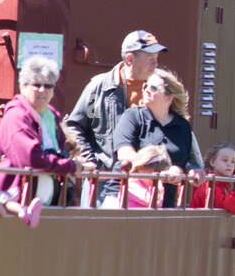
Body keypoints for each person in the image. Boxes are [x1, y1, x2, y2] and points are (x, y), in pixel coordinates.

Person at [0, 56, 92, 208]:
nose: (42, 91)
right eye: (37, 85)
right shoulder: (17, 116)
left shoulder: (50, 116)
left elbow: (59, 152)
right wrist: (72, 167)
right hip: (14, 200)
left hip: (45, 201)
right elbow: (31, 159)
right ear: (23, 86)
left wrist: (76, 162)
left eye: (48, 86)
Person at [64, 30, 167, 171]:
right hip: (105, 177)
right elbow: (76, 127)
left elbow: (178, 126)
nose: (155, 63)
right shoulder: (100, 88)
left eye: (157, 57)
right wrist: (91, 162)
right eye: (150, 57)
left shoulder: (160, 88)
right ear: (129, 58)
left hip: (146, 178)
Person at [106, 69, 202, 209]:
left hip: (164, 201)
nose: (146, 90)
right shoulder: (132, 116)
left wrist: (180, 171)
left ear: (169, 97)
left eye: (154, 88)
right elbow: (124, 153)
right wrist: (162, 170)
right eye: (145, 86)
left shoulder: (183, 126)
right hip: (126, 195)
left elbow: (184, 161)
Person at [190, 142, 235, 214]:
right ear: (212, 162)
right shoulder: (207, 182)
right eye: (225, 160)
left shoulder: (224, 183)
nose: (229, 164)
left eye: (233, 161)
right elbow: (221, 203)